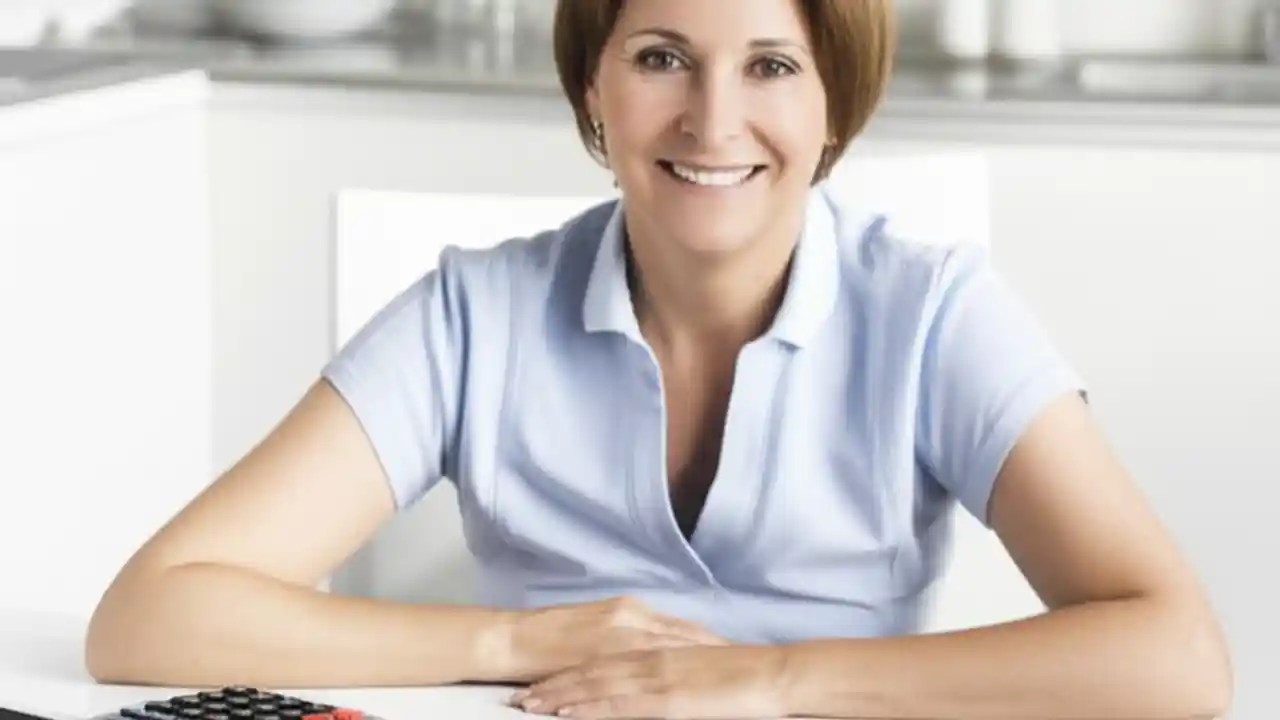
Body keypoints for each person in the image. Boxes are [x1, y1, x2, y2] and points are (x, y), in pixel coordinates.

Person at [85, 0, 1233, 718]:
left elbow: (1175, 657)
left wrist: (774, 681)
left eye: (771, 65)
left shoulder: (936, 314)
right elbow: (149, 616)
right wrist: (514, 642)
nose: (711, 119)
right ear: (593, 84)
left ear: (836, 100)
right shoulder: (472, 315)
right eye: (661, 56)